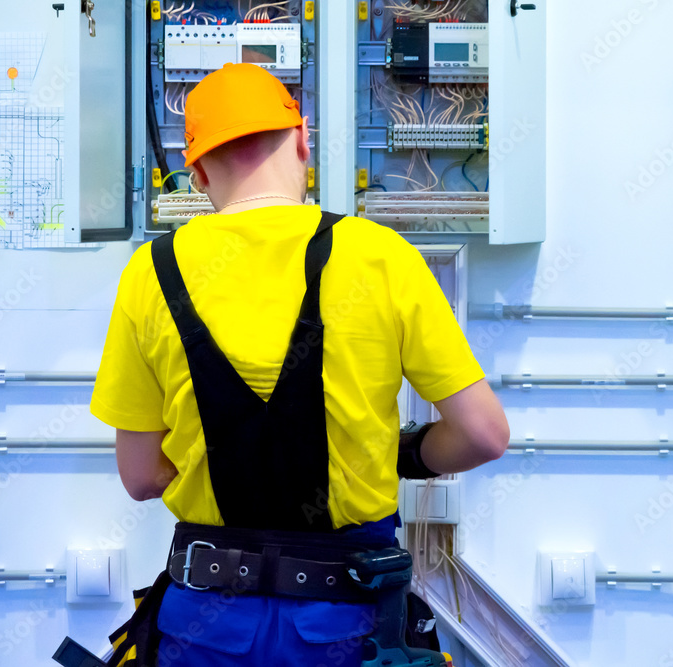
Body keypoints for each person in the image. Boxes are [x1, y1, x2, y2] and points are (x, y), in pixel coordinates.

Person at [88, 63, 509, 666]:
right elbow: (483, 435)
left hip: (206, 624)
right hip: (346, 623)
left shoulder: (150, 274)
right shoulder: (380, 257)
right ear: (303, 139)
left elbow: (141, 476)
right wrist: (404, 452)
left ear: (198, 171)